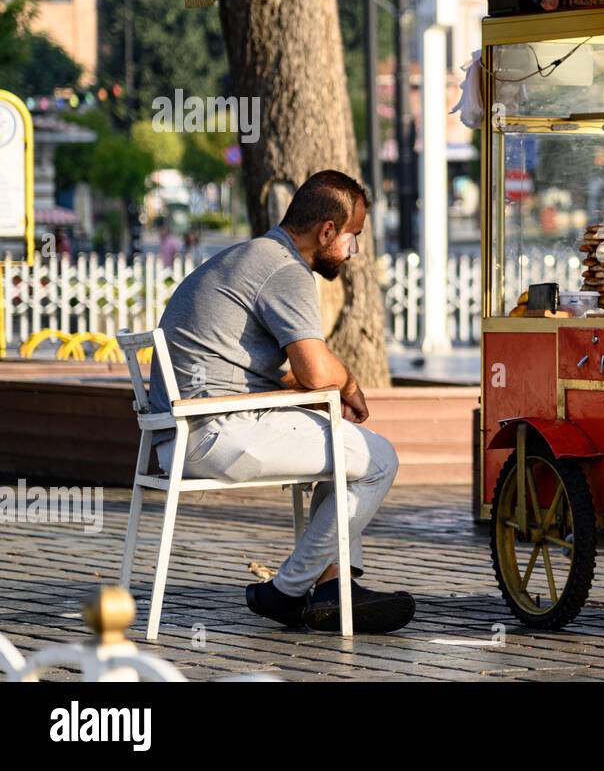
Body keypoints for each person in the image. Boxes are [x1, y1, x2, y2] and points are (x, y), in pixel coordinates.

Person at [147, 170, 413, 634]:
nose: (354, 252)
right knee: (378, 458)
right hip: (215, 433)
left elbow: (252, 367)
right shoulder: (286, 270)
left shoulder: (247, 257)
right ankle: (287, 592)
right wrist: (349, 384)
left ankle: (335, 588)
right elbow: (315, 370)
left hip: (177, 435)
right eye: (353, 238)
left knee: (349, 449)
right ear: (326, 230)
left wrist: (308, 393)